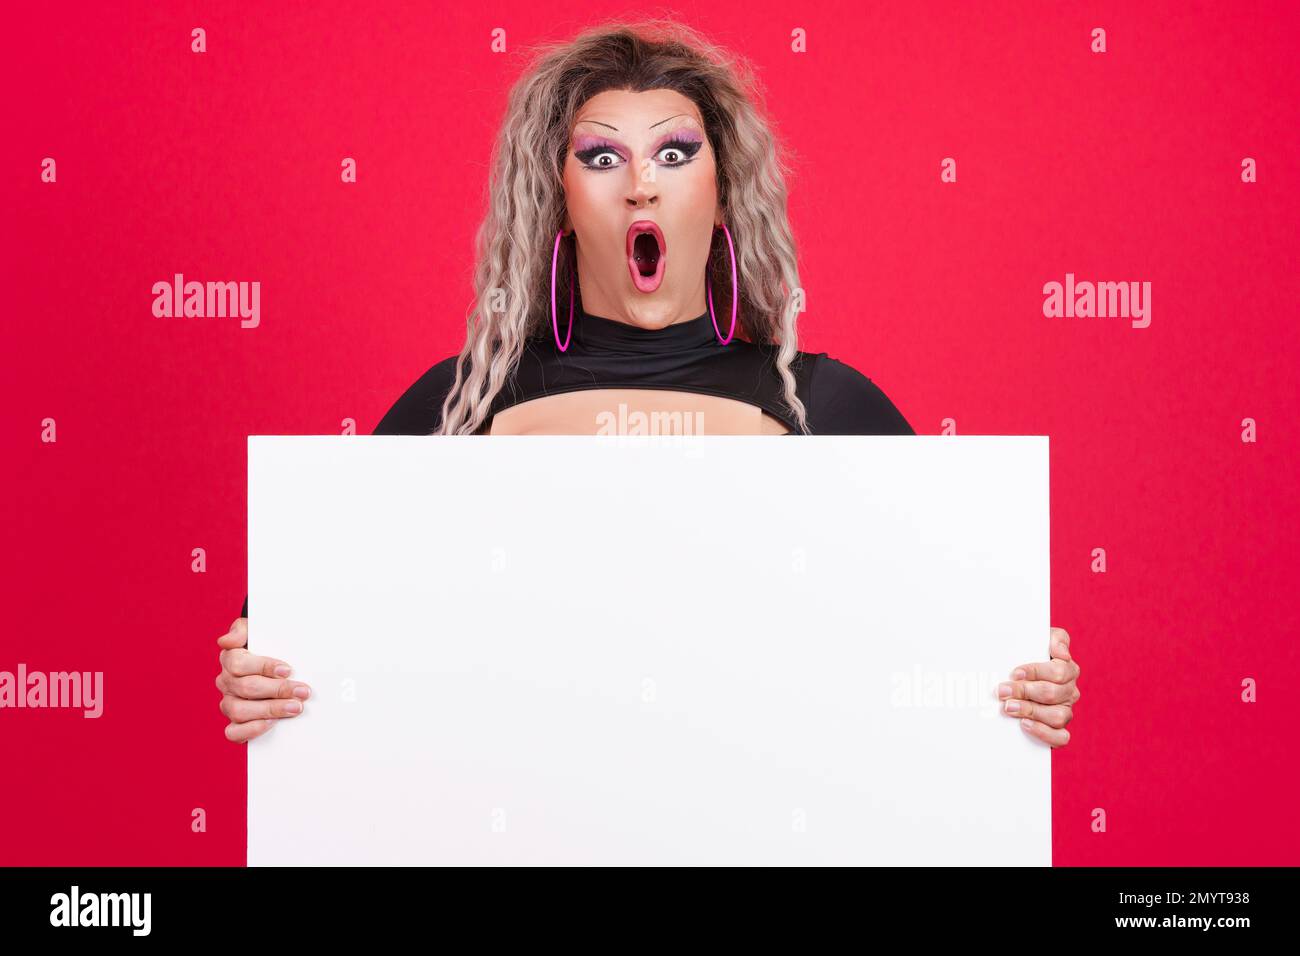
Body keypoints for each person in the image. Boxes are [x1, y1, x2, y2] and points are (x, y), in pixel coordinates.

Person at [216, 19, 1080, 748]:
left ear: (722, 186)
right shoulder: (464, 405)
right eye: (601, 159)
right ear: (556, 196)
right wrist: (257, 668)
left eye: (673, 152)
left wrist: (1027, 676)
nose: (641, 186)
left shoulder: (831, 408)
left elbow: (959, 637)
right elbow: (290, 626)